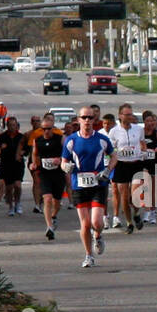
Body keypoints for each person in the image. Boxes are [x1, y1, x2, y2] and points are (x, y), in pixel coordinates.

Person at [62, 106, 116, 268]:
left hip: (98, 182)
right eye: (84, 117)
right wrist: (66, 168)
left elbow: (114, 156)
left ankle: (98, 236)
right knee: (85, 224)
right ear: (78, 120)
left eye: (90, 118)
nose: (87, 121)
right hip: (79, 183)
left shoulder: (101, 139)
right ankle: (88, 255)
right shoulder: (71, 140)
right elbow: (64, 161)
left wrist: (107, 171)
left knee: (97, 222)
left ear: (94, 120)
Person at [108, 103, 145, 232]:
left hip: (136, 164)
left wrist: (143, 155)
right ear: (120, 116)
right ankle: (129, 222)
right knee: (124, 196)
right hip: (121, 165)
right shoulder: (114, 131)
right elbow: (110, 150)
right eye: (127, 114)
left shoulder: (138, 129)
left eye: (131, 114)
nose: (130, 116)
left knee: (134, 195)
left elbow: (142, 143)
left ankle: (136, 214)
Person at [32, 113, 65, 241]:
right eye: (44, 129)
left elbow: (68, 154)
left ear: (53, 128)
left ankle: (54, 216)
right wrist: (34, 163)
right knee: (47, 199)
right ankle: (49, 227)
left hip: (58, 174)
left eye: (49, 128)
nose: (46, 131)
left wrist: (61, 159)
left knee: (57, 202)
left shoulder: (59, 138)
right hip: (45, 173)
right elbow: (34, 154)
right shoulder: (38, 141)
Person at [139, 110, 157, 225]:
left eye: (151, 121)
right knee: (146, 187)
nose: (150, 123)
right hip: (144, 163)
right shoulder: (140, 133)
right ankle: (147, 211)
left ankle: (153, 211)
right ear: (144, 121)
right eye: (147, 121)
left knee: (155, 189)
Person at [0, 116, 26, 216]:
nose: (12, 127)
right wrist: (0, 148)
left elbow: (27, 149)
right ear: (7, 126)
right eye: (10, 125)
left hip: (18, 164)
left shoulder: (21, 137)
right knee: (9, 188)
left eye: (14, 125)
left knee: (17, 185)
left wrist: (23, 152)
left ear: (16, 125)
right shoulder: (2, 137)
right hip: (6, 165)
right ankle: (11, 206)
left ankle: (17, 203)